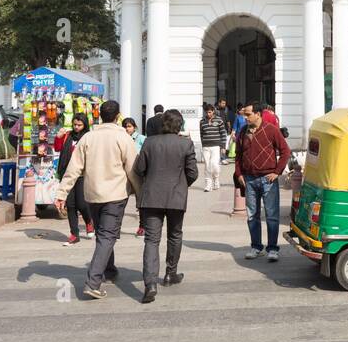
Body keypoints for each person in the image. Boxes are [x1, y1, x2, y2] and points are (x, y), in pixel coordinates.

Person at [56, 99, 140, 300]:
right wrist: (141, 196)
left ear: (100, 115)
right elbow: (133, 170)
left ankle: (109, 269)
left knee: (103, 232)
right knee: (107, 236)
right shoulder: (124, 138)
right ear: (118, 116)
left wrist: (61, 193)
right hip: (116, 194)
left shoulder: (88, 138)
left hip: (92, 194)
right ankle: (93, 281)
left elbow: (73, 168)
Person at [132, 109, 198, 303]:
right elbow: (192, 172)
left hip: (151, 196)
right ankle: (171, 273)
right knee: (175, 234)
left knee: (151, 240)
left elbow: (139, 168)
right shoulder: (186, 144)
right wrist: (181, 185)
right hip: (176, 196)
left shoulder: (150, 142)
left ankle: (150, 284)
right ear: (180, 125)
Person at [234, 103, 291, 261]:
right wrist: (239, 174)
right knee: (252, 216)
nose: (245, 118)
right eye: (244, 115)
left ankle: (272, 249)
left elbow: (286, 151)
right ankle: (256, 247)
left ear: (258, 114)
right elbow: (238, 155)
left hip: (268, 180)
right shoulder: (243, 132)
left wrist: (277, 172)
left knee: (272, 216)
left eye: (248, 114)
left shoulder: (271, 130)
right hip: (249, 180)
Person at [56, 113, 94, 246]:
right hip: (67, 174)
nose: (76, 127)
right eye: (75, 124)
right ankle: (74, 234)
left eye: (79, 125)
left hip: (82, 175)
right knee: (71, 205)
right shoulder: (68, 136)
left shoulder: (89, 137)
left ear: (85, 125)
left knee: (82, 204)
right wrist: (58, 137)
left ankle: (89, 221)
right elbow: (57, 148)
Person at [199, 103, 227, 192]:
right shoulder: (202, 121)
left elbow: (223, 133)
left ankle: (216, 179)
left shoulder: (219, 120)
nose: (208, 114)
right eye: (206, 112)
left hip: (216, 146)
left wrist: (223, 146)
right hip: (206, 147)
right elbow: (201, 134)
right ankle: (208, 184)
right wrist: (203, 145)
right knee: (207, 165)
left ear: (213, 111)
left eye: (210, 112)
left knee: (214, 164)